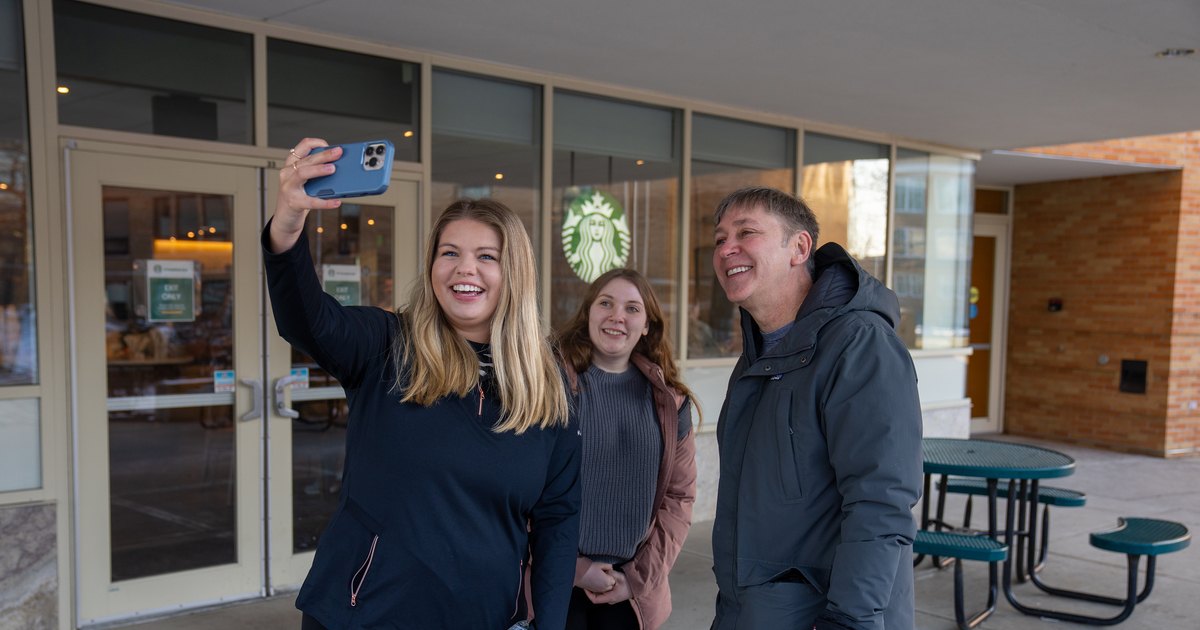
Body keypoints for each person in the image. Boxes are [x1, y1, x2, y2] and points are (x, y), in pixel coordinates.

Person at [266, 138, 581, 629]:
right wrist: (288, 221)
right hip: (362, 615)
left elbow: (558, 521)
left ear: (514, 272)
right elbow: (307, 321)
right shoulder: (386, 345)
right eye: (449, 252)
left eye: (487, 256)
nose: (465, 269)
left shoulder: (547, 385)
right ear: (433, 266)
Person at [707, 187, 922, 630]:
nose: (727, 249)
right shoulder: (758, 356)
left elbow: (880, 502)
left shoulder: (860, 345)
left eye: (746, 233)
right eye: (719, 238)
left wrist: (849, 620)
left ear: (799, 247)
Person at [554, 268, 698, 630]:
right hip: (556, 581)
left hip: (630, 592)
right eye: (606, 303)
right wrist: (575, 568)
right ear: (588, 313)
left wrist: (635, 578)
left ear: (647, 325)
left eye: (632, 309)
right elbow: (519, 491)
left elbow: (679, 500)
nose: (617, 316)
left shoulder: (669, 402)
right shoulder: (550, 389)